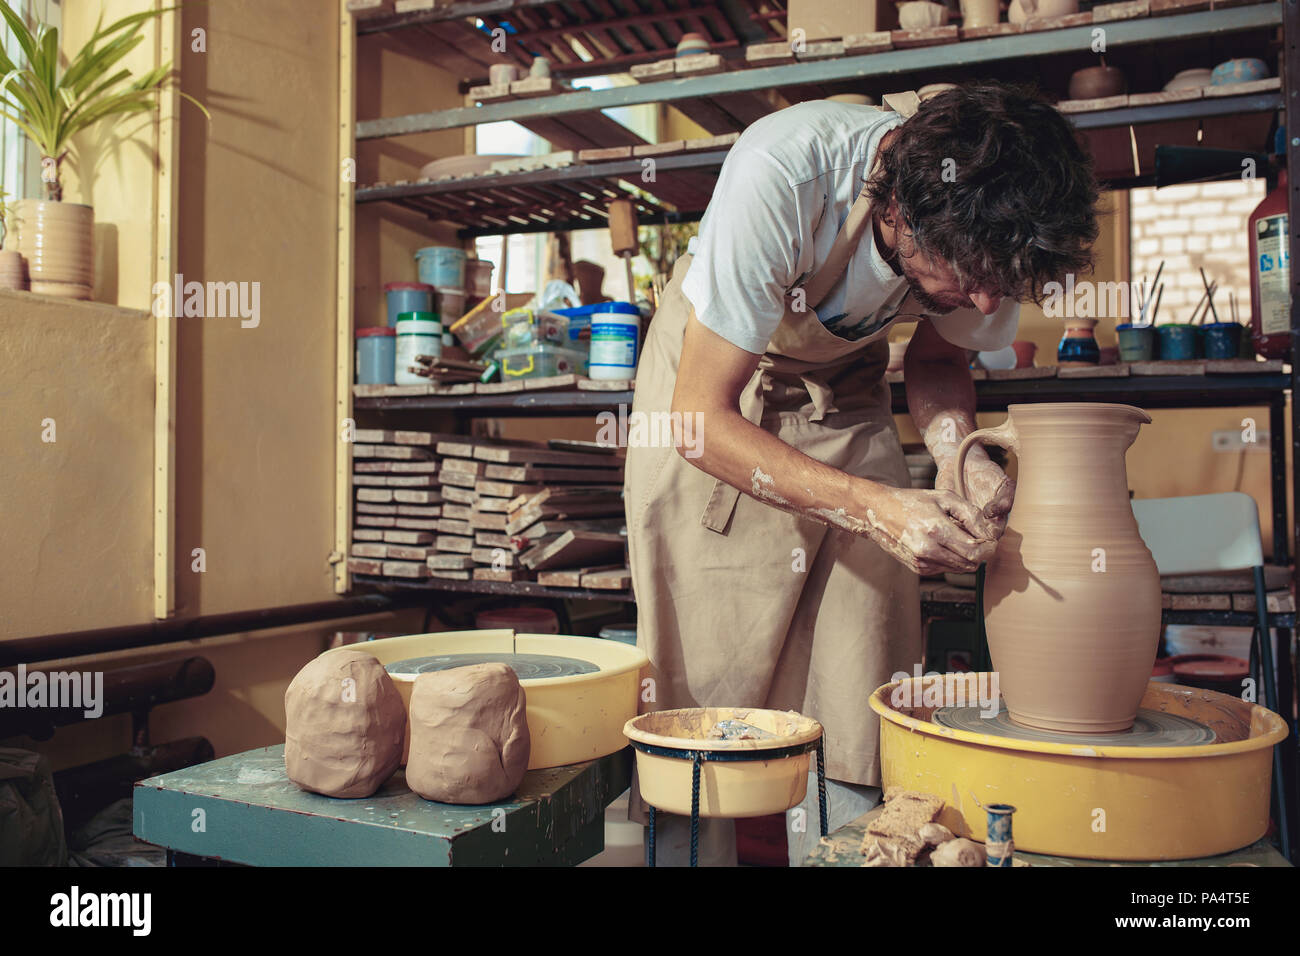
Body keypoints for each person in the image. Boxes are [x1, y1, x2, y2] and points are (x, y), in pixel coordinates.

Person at [624, 83, 1100, 866]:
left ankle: (851, 852)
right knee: (705, 674)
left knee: (863, 659)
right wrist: (875, 506)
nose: (986, 301)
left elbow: (942, 356)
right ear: (897, 213)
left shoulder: (989, 241)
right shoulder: (784, 170)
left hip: (844, 389)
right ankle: (688, 851)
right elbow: (701, 420)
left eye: (1000, 285)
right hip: (713, 389)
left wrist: (956, 452)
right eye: (969, 276)